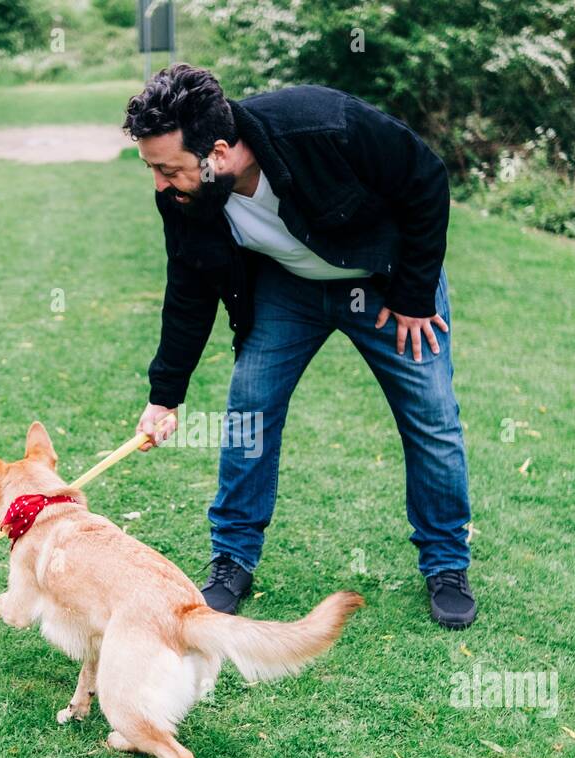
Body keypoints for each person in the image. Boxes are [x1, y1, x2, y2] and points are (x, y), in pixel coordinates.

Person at [123, 65, 476, 629]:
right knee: (250, 407)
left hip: (388, 285)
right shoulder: (183, 199)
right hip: (292, 289)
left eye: (168, 170)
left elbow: (426, 179)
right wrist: (165, 395)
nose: (161, 185)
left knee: (431, 416)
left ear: (217, 152)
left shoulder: (322, 124)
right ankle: (232, 560)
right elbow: (188, 288)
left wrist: (413, 296)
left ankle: (446, 564)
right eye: (153, 170)